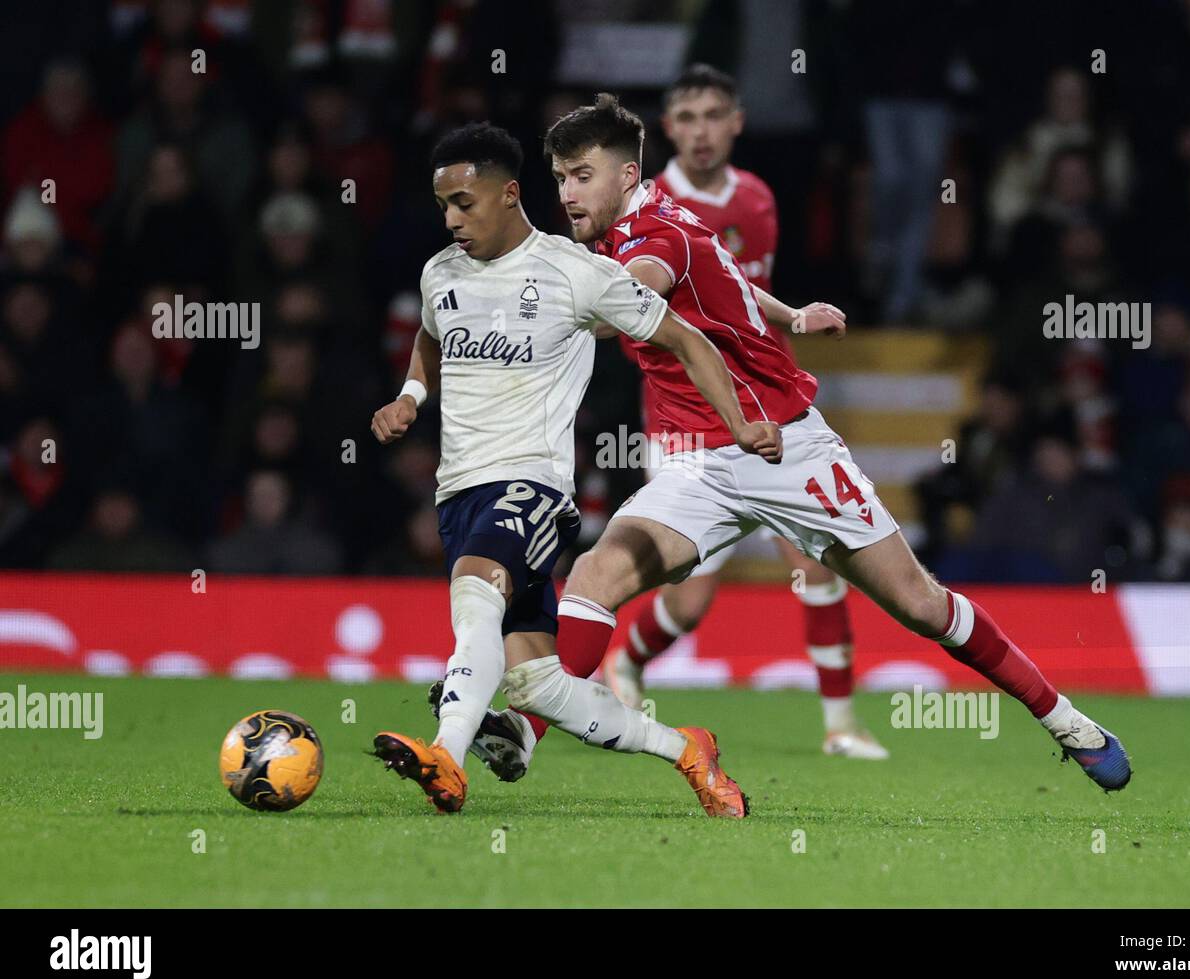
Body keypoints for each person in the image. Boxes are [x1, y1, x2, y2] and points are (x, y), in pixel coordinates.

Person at [454, 95, 1132, 796]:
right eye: (560, 177)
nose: (567, 193)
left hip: (786, 449)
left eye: (582, 175)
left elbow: (633, 293)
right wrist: (792, 313)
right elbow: (725, 277)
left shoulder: (650, 241)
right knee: (597, 573)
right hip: (705, 462)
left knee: (921, 605)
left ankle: (1066, 720)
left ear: (627, 176)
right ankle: (520, 734)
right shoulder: (663, 222)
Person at [368, 122, 780, 817]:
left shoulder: (575, 272)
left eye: (465, 203)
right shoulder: (440, 272)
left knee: (477, 595)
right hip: (459, 492)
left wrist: (740, 423)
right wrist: (410, 396)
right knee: (537, 686)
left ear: (510, 193)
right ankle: (687, 748)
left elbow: (683, 336)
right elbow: (431, 336)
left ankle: (447, 753)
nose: (451, 219)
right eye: (443, 205)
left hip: (531, 485)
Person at [599, 64, 885, 759]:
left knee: (819, 566)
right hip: (684, 423)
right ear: (668, 128)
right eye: (687, 117)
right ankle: (625, 662)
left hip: (766, 417)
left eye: (713, 115)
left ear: (737, 123)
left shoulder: (757, 200)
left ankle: (842, 726)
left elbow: (742, 297)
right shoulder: (644, 201)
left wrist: (794, 319)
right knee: (690, 600)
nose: (700, 131)